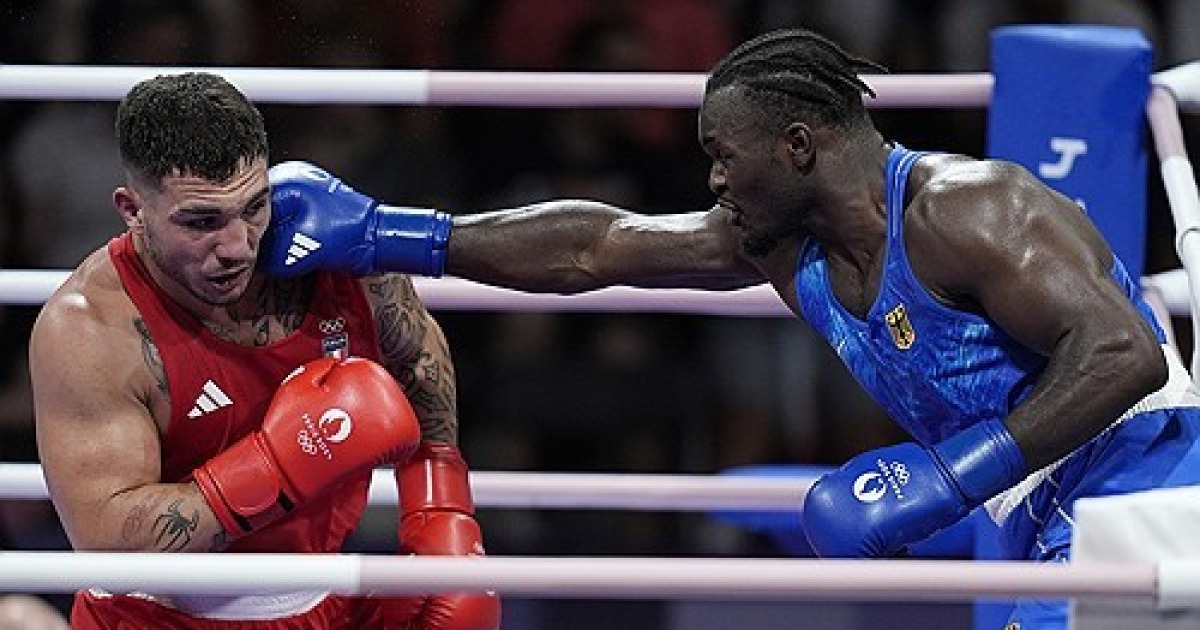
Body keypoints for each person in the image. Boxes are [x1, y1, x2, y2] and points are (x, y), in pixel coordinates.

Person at [262, 27, 1200, 629]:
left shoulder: (968, 207)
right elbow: (598, 247)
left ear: (798, 147)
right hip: (1031, 503)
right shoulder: (783, 246)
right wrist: (391, 234)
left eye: (723, 155)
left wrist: (956, 472)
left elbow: (1125, 351)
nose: (712, 181)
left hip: (1143, 470)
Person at [28, 72, 500, 629]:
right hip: (158, 617)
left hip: (322, 598)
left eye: (254, 208)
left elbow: (415, 348)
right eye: (202, 222)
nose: (236, 247)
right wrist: (278, 464)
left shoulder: (329, 247)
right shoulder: (92, 327)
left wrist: (439, 502)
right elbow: (107, 543)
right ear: (133, 210)